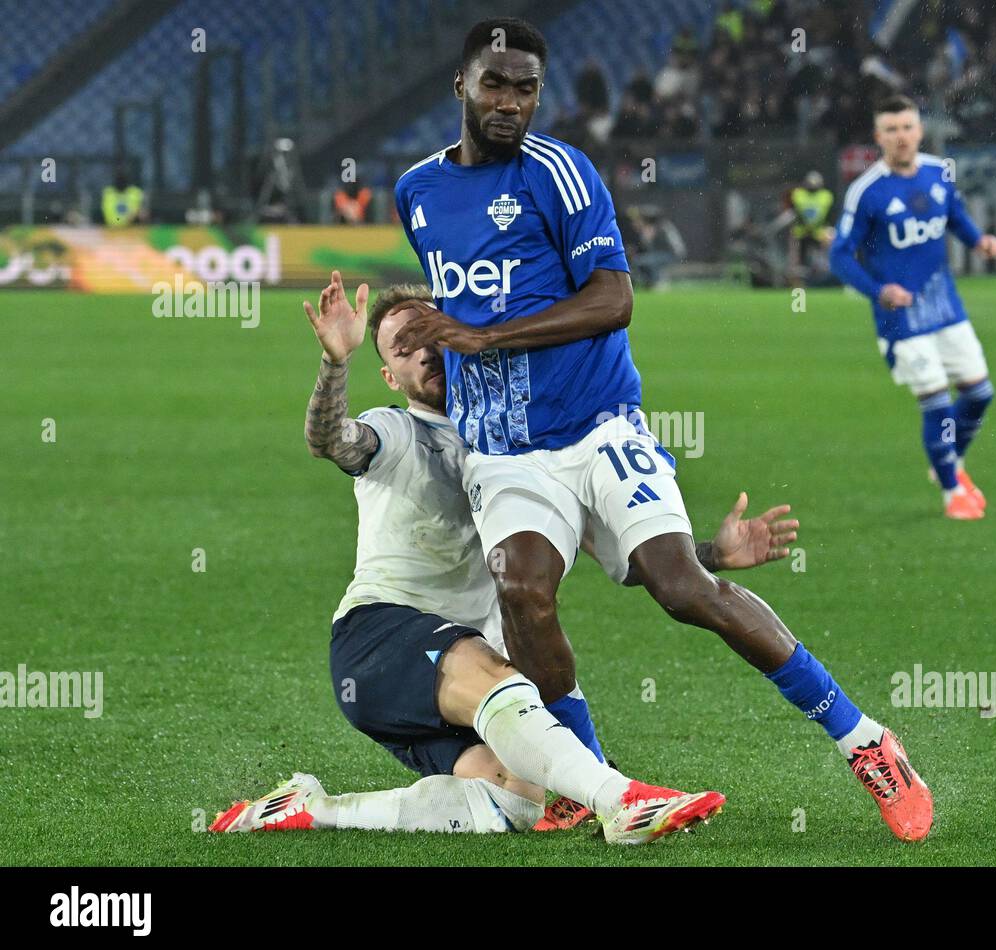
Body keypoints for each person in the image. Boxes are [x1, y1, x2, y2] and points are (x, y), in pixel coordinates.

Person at [390, 17, 933, 841]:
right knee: (524, 591)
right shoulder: (417, 192)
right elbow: (458, 299)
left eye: (526, 87)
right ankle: (590, 782)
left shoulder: (559, 174)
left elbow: (614, 299)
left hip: (597, 424)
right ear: (460, 86)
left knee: (682, 588)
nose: (509, 103)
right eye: (494, 84)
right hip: (501, 449)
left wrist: (485, 336)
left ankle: (867, 742)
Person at [210, 271, 797, 842]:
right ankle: (622, 802)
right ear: (389, 376)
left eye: (433, 334)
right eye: (406, 348)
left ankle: (313, 810)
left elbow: (617, 553)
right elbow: (330, 438)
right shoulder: (394, 433)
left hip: (455, 669)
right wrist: (337, 360)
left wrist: (711, 556)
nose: (426, 353)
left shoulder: (519, 452)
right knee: (504, 678)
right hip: (380, 641)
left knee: (514, 799)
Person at [829, 94, 996, 520]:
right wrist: (878, 290)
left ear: (920, 131)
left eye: (907, 127)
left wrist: (979, 241)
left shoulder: (938, 172)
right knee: (936, 402)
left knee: (980, 393)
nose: (901, 136)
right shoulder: (866, 191)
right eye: (891, 129)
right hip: (901, 317)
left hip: (943, 303)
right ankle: (951, 492)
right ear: (878, 137)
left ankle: (948, 460)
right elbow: (839, 255)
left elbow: (956, 217)